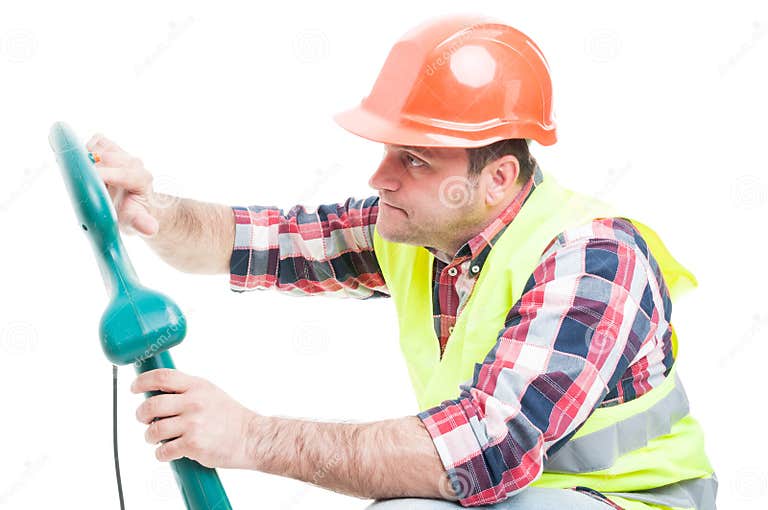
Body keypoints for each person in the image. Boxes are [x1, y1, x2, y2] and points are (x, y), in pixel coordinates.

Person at [87, 15, 716, 510]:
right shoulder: (421, 228)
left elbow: (479, 450)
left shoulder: (594, 261)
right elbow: (254, 241)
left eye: (414, 159)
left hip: (628, 500)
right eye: (390, 150)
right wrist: (153, 212)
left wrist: (250, 437)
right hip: (512, 491)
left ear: (496, 178)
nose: (379, 177)